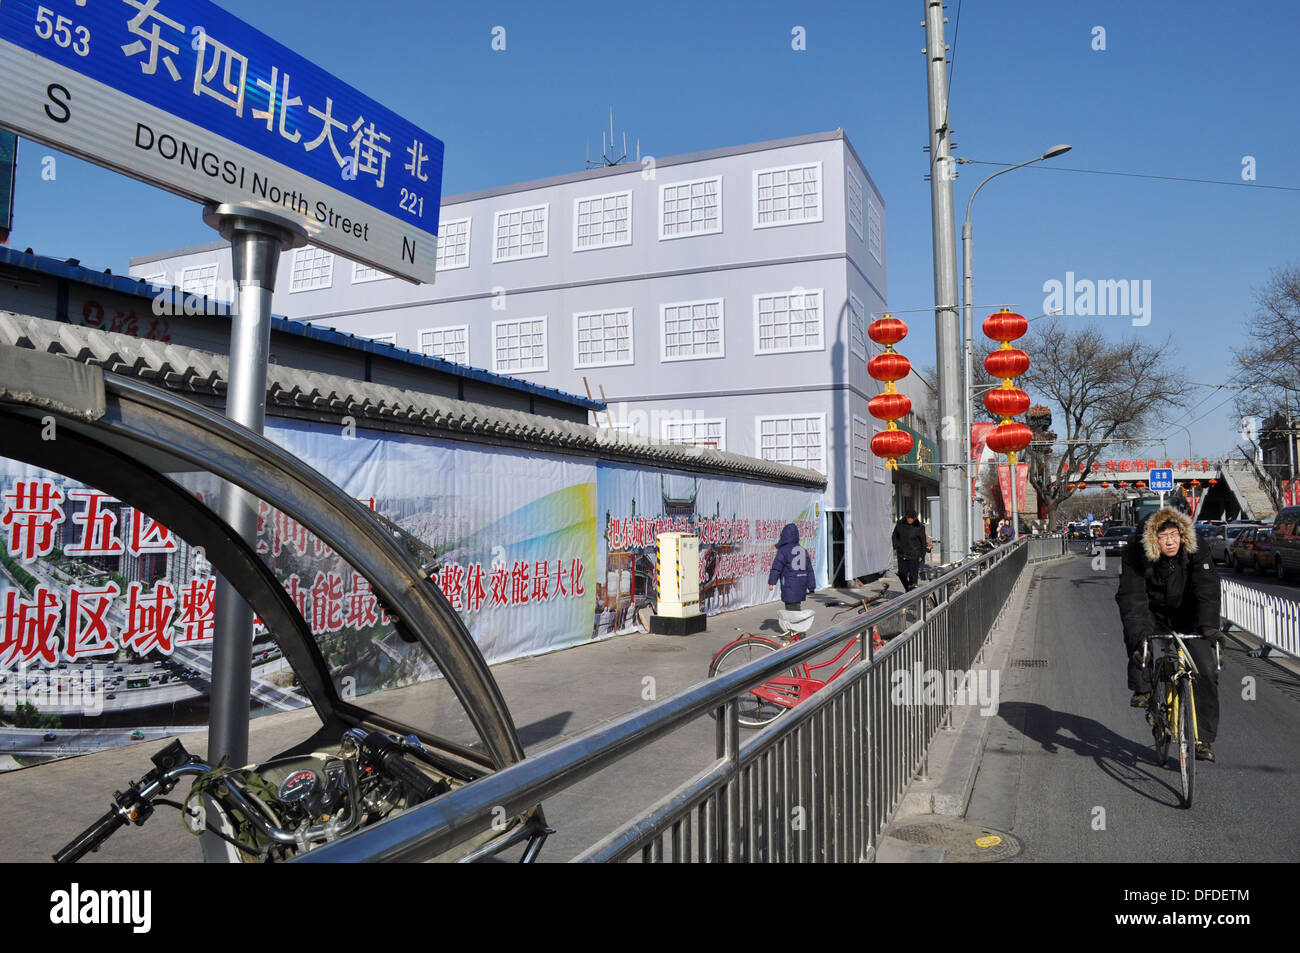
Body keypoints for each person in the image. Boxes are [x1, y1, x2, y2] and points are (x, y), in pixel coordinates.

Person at [1114, 506, 1224, 762]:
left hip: (1188, 615)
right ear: (1153, 538)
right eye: (1164, 537)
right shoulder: (1135, 550)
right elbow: (1132, 598)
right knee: (1139, 641)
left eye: (1175, 534)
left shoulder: (1197, 547)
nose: (1171, 541)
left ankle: (1203, 738)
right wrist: (1140, 635)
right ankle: (1145, 691)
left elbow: (1207, 586)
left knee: (1206, 670)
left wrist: (1208, 626)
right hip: (1150, 611)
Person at [768, 522, 816, 609]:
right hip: (801, 583)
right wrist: (811, 586)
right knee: (796, 605)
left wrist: (772, 582)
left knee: (790, 607)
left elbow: (776, 568)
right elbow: (809, 570)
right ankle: (796, 620)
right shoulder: (803, 550)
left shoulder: (783, 550)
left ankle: (793, 621)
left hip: (789, 583)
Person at [891, 509, 930, 591]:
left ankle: (912, 594)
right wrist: (896, 547)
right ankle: (908, 589)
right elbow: (894, 536)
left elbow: (923, 542)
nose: (910, 519)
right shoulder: (900, 524)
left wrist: (922, 555)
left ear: (915, 518)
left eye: (912, 518)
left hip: (914, 555)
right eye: (908, 517)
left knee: (913, 576)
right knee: (902, 573)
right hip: (902, 554)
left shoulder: (919, 527)